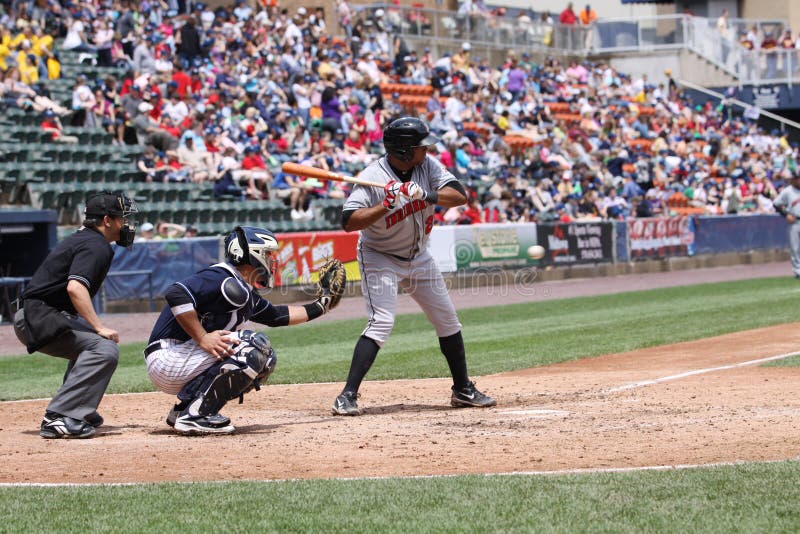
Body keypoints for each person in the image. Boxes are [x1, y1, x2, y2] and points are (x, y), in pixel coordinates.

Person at [331, 117, 496, 415]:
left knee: (447, 320)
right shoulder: (372, 176)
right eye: (421, 146)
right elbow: (348, 222)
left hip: (419, 257)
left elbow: (460, 195)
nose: (427, 150)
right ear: (404, 150)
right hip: (380, 256)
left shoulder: (428, 166)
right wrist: (386, 204)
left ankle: (462, 389)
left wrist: (427, 194)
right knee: (381, 322)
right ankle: (347, 395)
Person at [144, 226, 342, 435]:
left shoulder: (240, 287)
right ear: (252, 254)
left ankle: (187, 409)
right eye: (267, 254)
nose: (271, 260)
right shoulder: (222, 277)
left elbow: (276, 316)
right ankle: (196, 416)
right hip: (168, 357)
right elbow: (176, 293)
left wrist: (323, 305)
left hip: (181, 359)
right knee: (253, 347)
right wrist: (202, 337)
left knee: (265, 359)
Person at [12, 192, 139, 438]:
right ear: (107, 220)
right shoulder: (95, 245)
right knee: (104, 349)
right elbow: (75, 287)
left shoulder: (87, 240)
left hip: (37, 314)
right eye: (122, 218)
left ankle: (78, 408)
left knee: (94, 346)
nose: (126, 224)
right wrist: (98, 325)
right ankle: (61, 416)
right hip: (38, 317)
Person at [772, 173, 800, 279]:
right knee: (795, 247)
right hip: (795, 221)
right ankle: (798, 271)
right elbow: (776, 204)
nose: (798, 180)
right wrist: (786, 214)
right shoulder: (788, 191)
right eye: (796, 179)